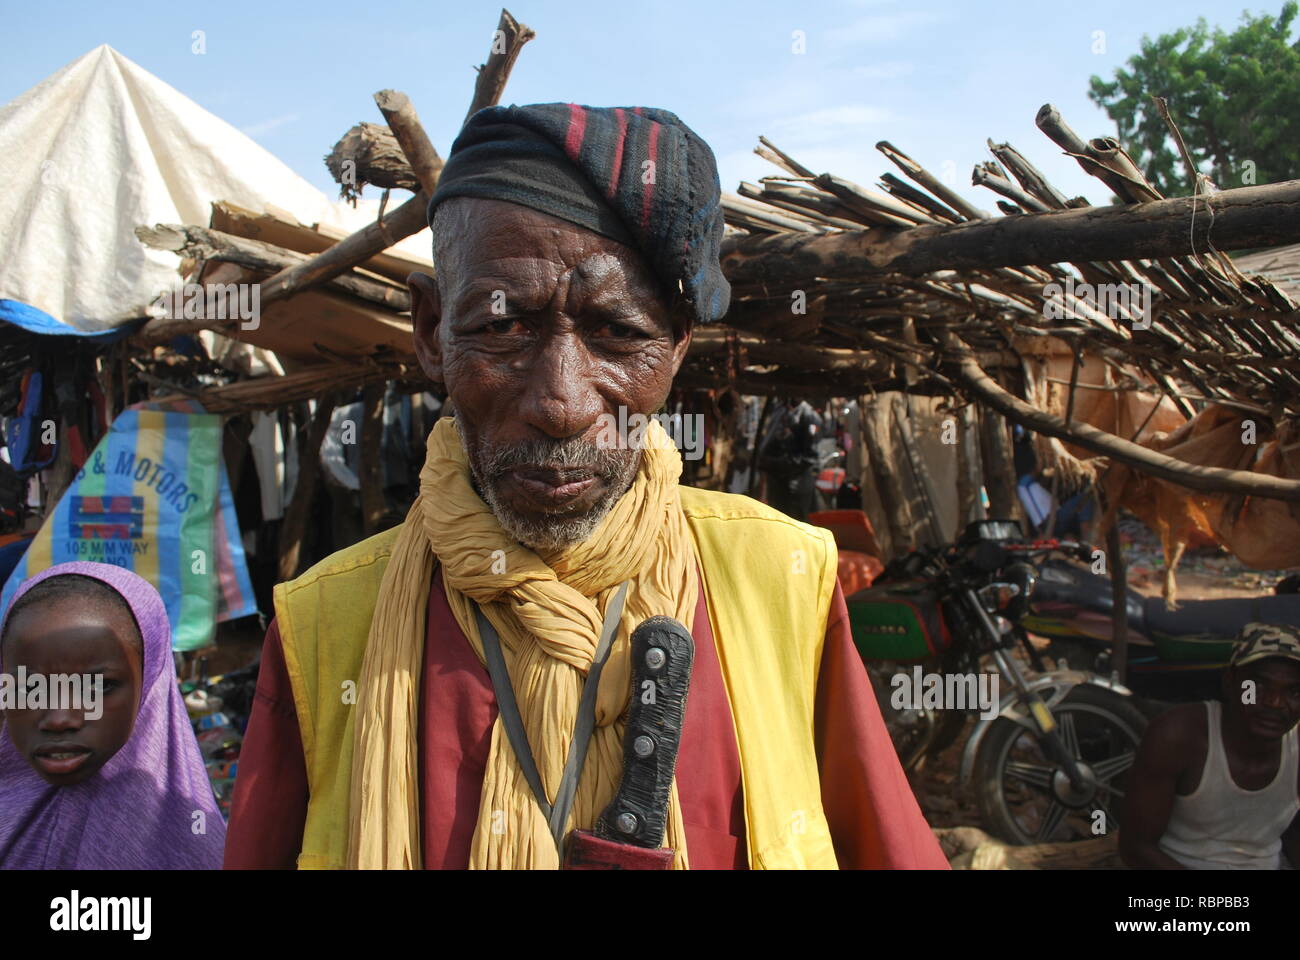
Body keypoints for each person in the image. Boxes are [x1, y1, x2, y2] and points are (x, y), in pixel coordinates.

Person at [224, 103, 946, 870]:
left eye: (618, 332)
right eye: (504, 328)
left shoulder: (781, 580)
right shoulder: (323, 625)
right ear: (432, 332)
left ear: (675, 347)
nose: (561, 404)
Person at [0, 561, 226, 869]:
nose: (58, 719)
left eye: (98, 687)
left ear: (149, 683)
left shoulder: (193, 844)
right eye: (31, 687)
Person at [1119, 623, 1300, 869]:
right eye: (1256, 686)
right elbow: (1137, 849)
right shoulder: (1179, 737)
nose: (1275, 702)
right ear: (1230, 682)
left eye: (1294, 692)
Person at [758, 398, 824, 521]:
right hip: (779, 485)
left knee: (796, 526)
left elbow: (809, 457)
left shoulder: (809, 417)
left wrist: (776, 463)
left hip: (796, 486)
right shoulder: (781, 411)